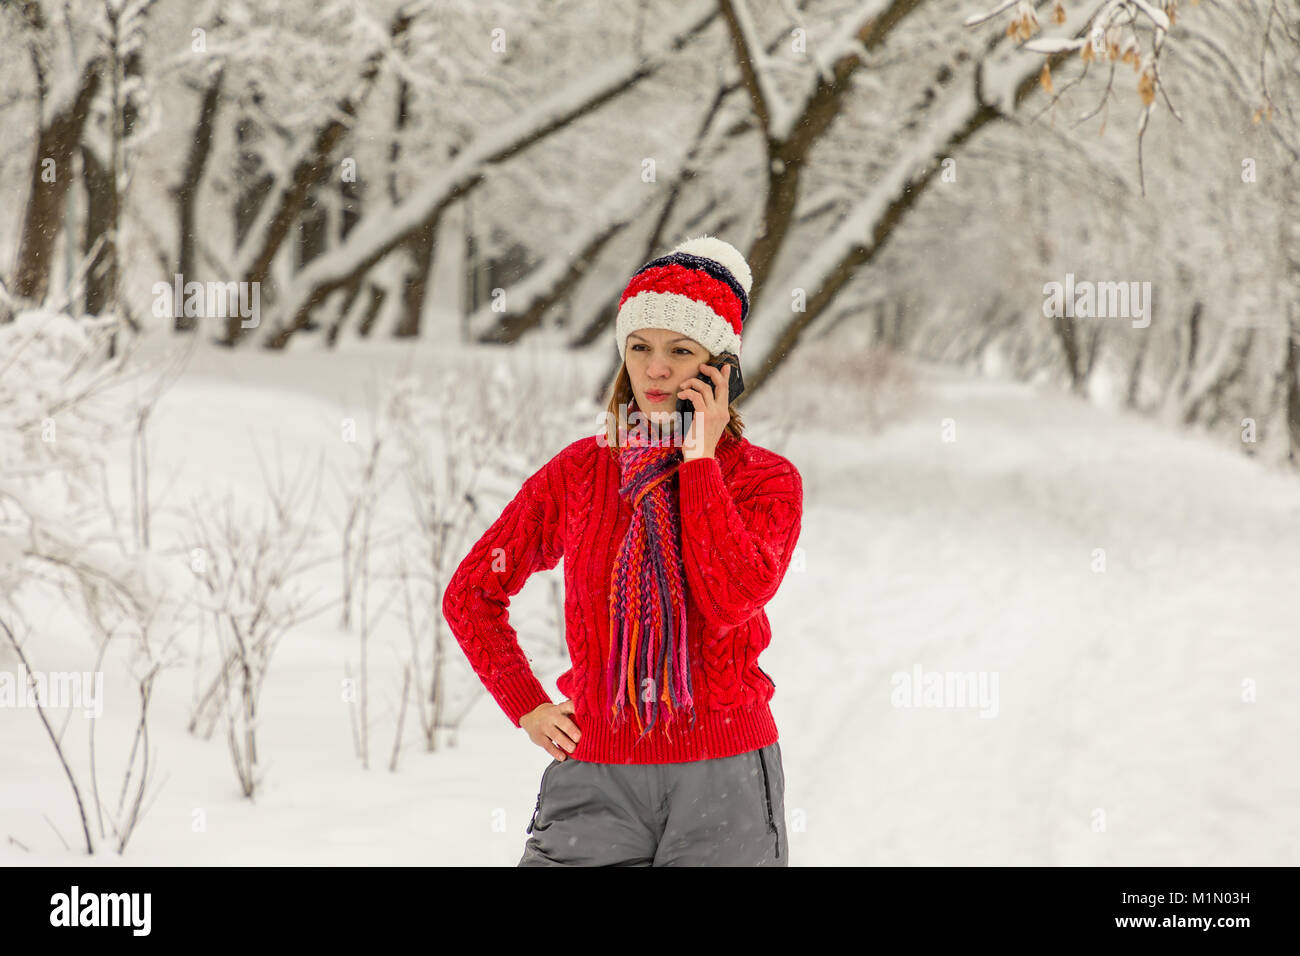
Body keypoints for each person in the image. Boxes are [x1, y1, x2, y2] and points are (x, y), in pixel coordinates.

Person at [441, 235, 803, 866]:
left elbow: (731, 597)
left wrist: (698, 462)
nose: (656, 369)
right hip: (596, 778)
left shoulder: (764, 481)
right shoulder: (580, 473)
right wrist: (525, 704)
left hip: (722, 777)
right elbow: (472, 592)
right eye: (640, 348)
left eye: (680, 351)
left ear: (721, 368)